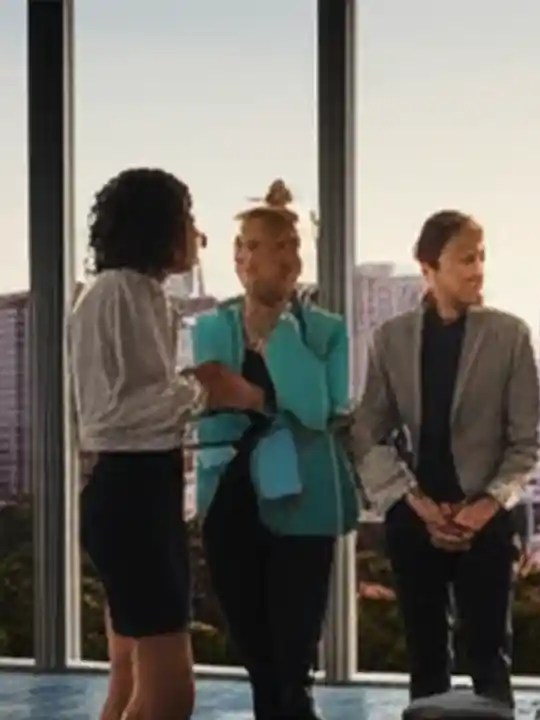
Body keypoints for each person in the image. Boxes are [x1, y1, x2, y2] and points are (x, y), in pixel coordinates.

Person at [70, 168, 262, 720]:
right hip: (135, 493)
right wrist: (212, 391)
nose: (198, 236)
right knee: (169, 694)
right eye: (189, 220)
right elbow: (129, 409)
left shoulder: (110, 294)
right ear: (159, 226)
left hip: (126, 490)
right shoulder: (131, 293)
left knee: (128, 679)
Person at [350, 210, 539, 706]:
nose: (479, 270)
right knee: (425, 662)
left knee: (489, 660)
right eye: (466, 259)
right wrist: (412, 501)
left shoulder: (510, 336)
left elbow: (525, 446)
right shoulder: (391, 339)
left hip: (488, 515)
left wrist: (483, 508)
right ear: (428, 268)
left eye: (481, 258)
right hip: (416, 517)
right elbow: (367, 432)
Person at [192, 180, 359, 719]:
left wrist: (275, 340)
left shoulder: (326, 331)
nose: (290, 257)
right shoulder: (210, 326)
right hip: (230, 497)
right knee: (254, 646)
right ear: (243, 257)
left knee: (295, 653)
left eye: (294, 245)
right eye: (276, 244)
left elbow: (318, 410)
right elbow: (209, 398)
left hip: (305, 498)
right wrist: (274, 400)